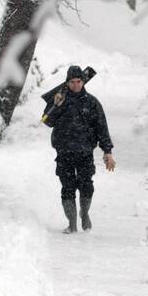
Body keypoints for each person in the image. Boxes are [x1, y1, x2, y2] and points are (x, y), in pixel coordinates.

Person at [41, 64, 115, 233]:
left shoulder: (92, 103)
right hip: (64, 151)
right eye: (72, 82)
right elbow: (46, 121)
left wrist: (107, 151)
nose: (76, 85)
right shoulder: (59, 100)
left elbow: (102, 128)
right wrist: (55, 106)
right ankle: (72, 222)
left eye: (79, 81)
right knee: (67, 188)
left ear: (83, 82)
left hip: (85, 152)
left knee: (86, 185)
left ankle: (85, 213)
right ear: (67, 83)